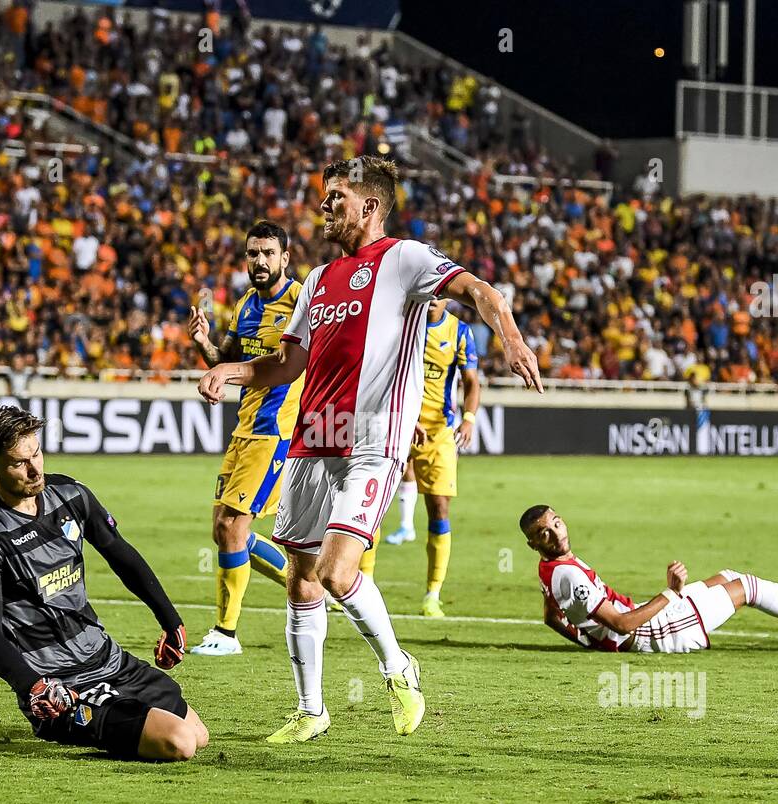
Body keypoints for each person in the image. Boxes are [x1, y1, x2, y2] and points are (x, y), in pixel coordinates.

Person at [198, 155, 542, 743]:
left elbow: (478, 290)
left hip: (371, 443)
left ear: (371, 206)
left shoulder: (404, 258)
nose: (324, 206)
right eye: (324, 196)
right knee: (301, 576)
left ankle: (398, 667)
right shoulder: (317, 281)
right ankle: (311, 709)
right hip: (312, 442)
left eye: (336, 197)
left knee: (336, 572)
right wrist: (231, 368)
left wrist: (509, 336)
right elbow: (288, 362)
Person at [0, 405, 207, 761]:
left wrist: (170, 619)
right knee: (179, 743)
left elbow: (120, 554)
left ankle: (115, 719)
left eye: (37, 453)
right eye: (18, 463)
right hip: (61, 685)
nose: (34, 469)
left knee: (199, 735)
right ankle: (76, 727)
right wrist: (34, 686)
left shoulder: (69, 495)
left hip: (107, 659)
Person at [520, 505, 778, 651]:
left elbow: (552, 617)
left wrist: (590, 643)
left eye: (555, 522)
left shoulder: (551, 567)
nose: (554, 531)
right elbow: (624, 624)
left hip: (642, 619)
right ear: (533, 543)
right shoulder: (568, 574)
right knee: (746, 588)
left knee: (728, 576)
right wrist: (671, 594)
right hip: (651, 632)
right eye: (544, 532)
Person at [185, 221, 301, 656]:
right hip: (244, 428)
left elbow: (285, 361)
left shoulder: (301, 301)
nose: (260, 261)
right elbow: (226, 361)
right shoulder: (246, 304)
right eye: (253, 253)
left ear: (284, 258)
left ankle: (226, 633)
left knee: (235, 527)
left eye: (269, 252)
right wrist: (204, 344)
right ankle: (305, 577)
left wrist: (224, 370)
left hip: (276, 432)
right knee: (223, 529)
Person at [380, 298, 481, 618]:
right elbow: (382, 376)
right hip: (396, 426)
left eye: (441, 290)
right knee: (369, 506)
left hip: (438, 435)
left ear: (449, 295)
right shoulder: (401, 325)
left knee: (438, 509)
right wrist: (403, 416)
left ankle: (432, 594)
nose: (435, 296)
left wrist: (469, 418)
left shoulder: (459, 331)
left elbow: (471, 381)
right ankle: (358, 584)